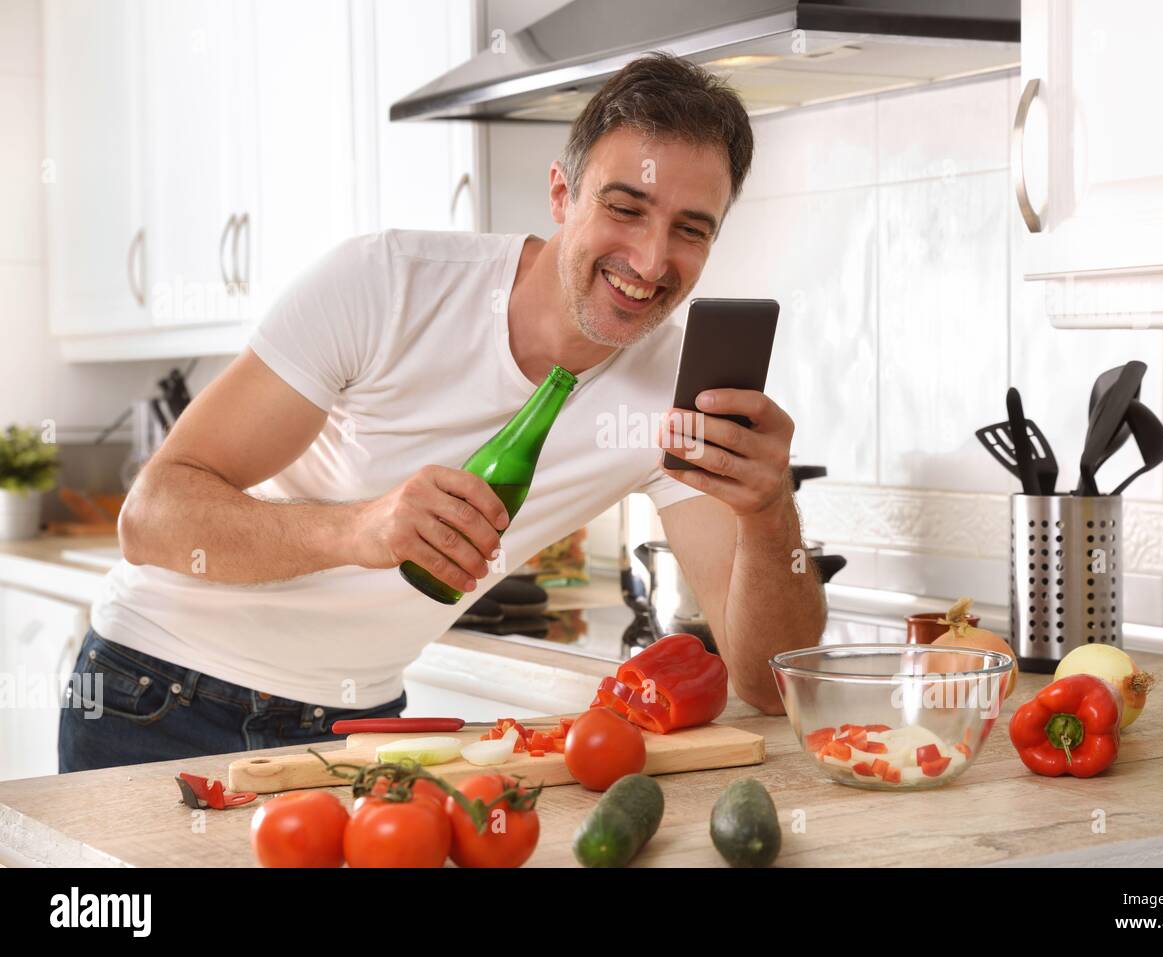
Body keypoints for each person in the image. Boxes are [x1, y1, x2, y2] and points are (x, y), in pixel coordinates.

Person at [59, 53, 826, 772]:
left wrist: (768, 510)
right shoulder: (385, 283)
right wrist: (363, 529)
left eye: (692, 229)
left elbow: (768, 684)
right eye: (626, 209)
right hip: (157, 695)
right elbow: (152, 515)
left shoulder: (673, 388)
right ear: (562, 195)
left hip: (358, 724)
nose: (653, 260)